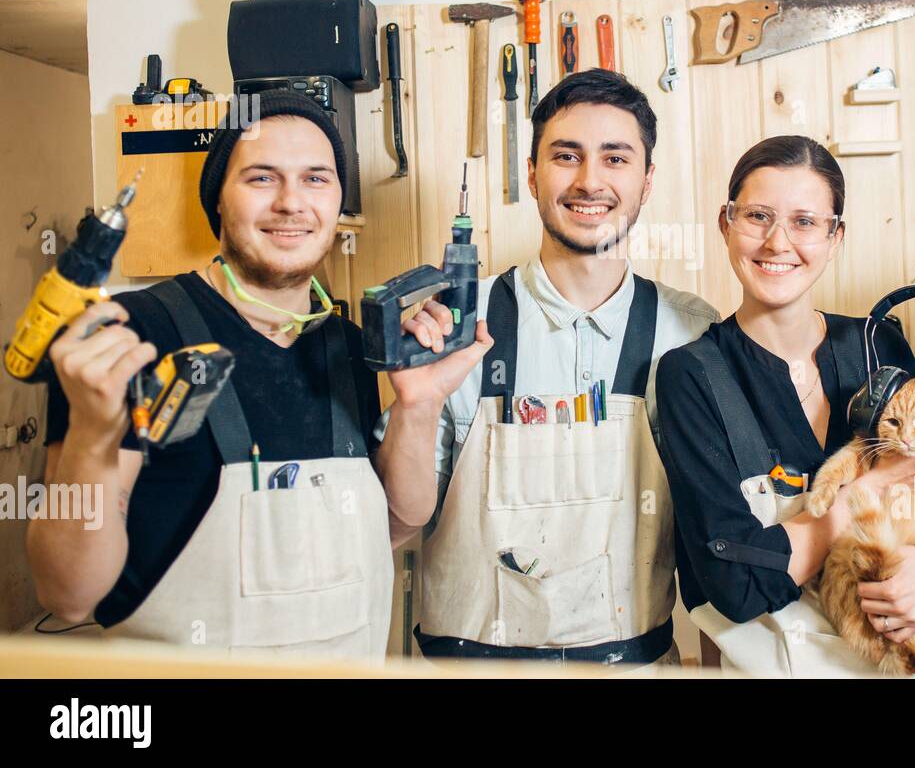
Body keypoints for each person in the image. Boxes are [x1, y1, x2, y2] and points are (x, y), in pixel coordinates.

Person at [29, 90, 481, 658]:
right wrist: (93, 439)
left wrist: (419, 406)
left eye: (316, 179)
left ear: (339, 202)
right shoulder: (130, 337)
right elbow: (66, 595)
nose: (292, 203)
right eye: (262, 178)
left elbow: (396, 524)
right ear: (217, 199)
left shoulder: (346, 343)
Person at [389, 69, 717, 666]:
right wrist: (416, 405)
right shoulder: (457, 325)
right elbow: (395, 524)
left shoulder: (691, 330)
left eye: (615, 158)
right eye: (567, 156)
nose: (590, 181)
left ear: (647, 182)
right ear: (534, 174)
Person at [654, 135, 915, 676]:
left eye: (806, 222)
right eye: (758, 216)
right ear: (725, 224)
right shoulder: (693, 376)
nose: (777, 242)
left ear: (836, 237)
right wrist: (871, 489)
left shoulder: (880, 346)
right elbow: (735, 587)